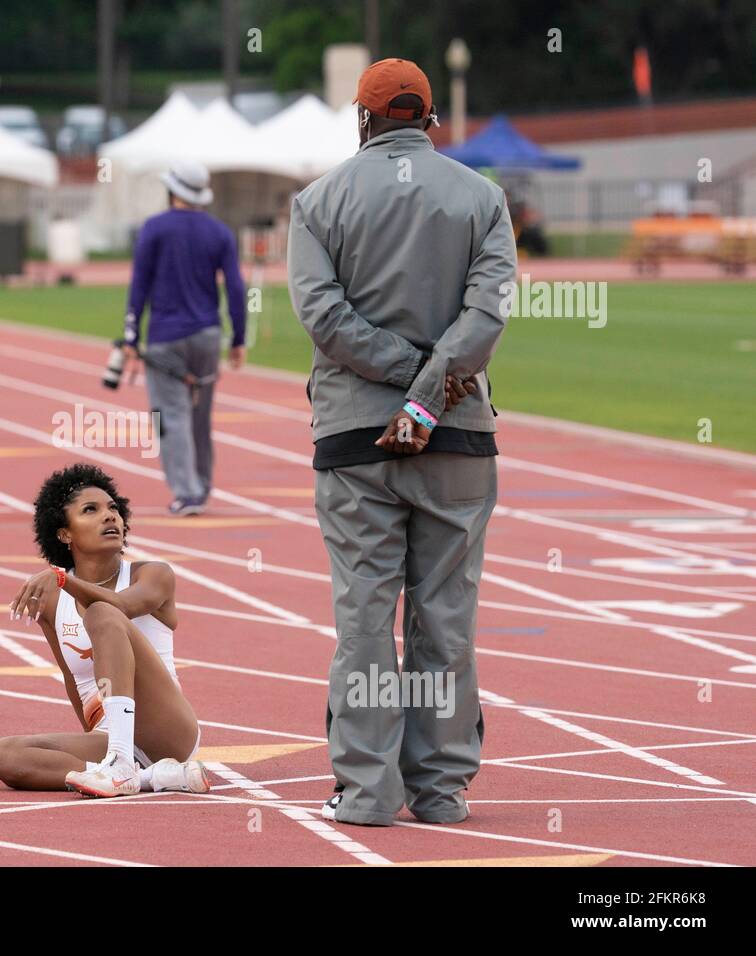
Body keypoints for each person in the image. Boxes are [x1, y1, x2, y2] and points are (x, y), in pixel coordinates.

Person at [287, 58, 517, 826]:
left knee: (364, 617)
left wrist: (402, 379)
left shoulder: (317, 203)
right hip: (456, 435)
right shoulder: (483, 199)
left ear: (363, 119)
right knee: (445, 617)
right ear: (429, 122)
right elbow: (486, 319)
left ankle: (366, 792)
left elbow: (322, 315)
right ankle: (442, 791)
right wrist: (429, 392)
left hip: (356, 438)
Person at [0, 463, 211, 798]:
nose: (110, 517)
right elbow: (73, 681)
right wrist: (94, 741)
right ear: (64, 533)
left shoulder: (152, 575)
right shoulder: (52, 603)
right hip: (108, 734)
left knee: (103, 615)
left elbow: (119, 608)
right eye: (91, 510)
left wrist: (63, 580)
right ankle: (148, 777)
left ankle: (122, 766)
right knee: (3, 756)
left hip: (166, 730)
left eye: (114, 509)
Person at [122, 161, 246, 516]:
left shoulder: (154, 228)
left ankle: (187, 492)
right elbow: (235, 288)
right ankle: (201, 486)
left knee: (169, 416)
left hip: (165, 337)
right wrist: (238, 338)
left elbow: (139, 284)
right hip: (207, 335)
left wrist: (131, 334)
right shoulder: (220, 232)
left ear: (173, 191)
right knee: (200, 416)